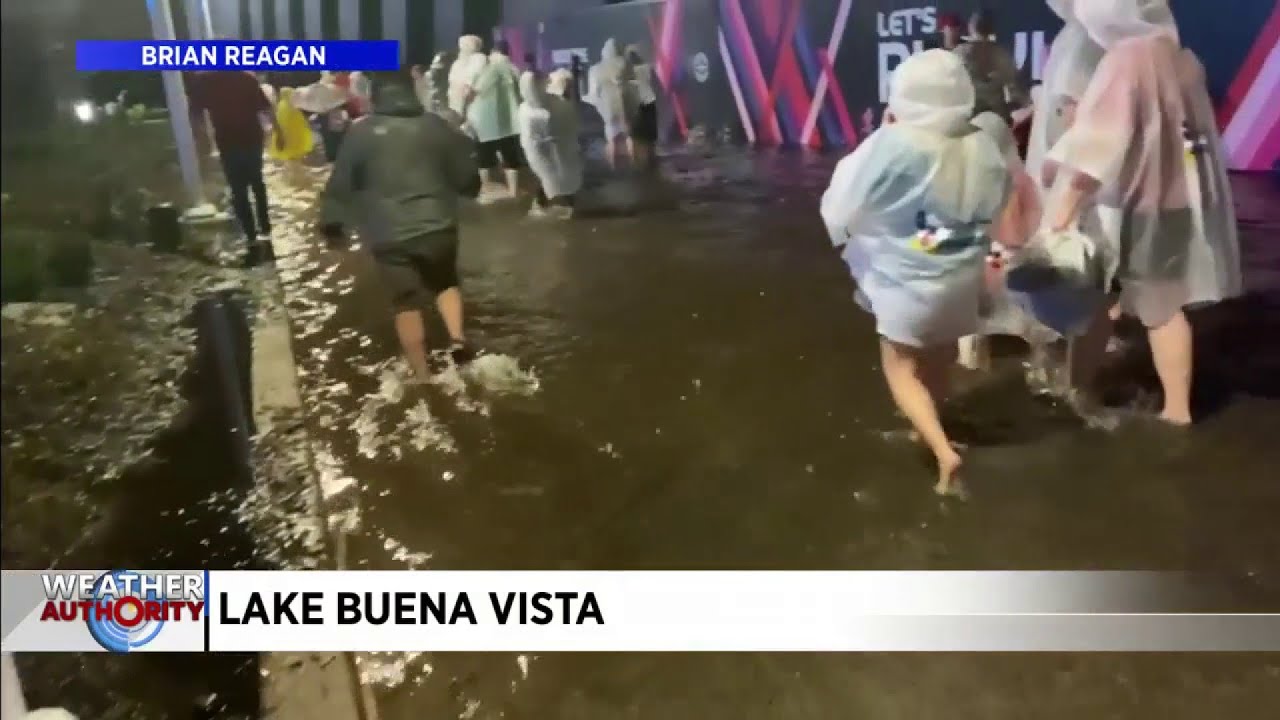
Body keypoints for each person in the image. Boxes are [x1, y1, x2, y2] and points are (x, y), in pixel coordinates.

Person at [820, 50, 1012, 495]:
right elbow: (993, 202)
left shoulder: (895, 144)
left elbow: (843, 203)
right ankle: (928, 423)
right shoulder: (981, 142)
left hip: (908, 286)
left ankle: (943, 452)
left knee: (901, 367)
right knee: (940, 358)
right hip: (961, 278)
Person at [1042, 0, 1241, 426]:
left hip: (1127, 207)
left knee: (1096, 301)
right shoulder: (1180, 58)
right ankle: (1177, 408)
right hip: (1178, 203)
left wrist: (1062, 214)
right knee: (1164, 307)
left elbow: (1097, 147)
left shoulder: (1125, 60)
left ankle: (1077, 387)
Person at [320, 72, 482, 380]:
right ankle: (458, 340)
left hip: (388, 234)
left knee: (406, 301)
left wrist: (332, 225)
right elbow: (466, 174)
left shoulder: (361, 133)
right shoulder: (435, 125)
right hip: (439, 226)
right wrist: (470, 187)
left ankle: (422, 376)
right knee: (445, 281)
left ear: (375, 96)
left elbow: (340, 185)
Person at [961, 111, 1051, 371]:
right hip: (1007, 257)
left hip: (1004, 259)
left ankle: (973, 361)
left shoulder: (1004, 182)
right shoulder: (1018, 179)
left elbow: (1012, 236)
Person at [188, 70, 284, 262]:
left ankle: (252, 234)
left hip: (230, 141)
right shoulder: (244, 78)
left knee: (239, 188)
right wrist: (280, 132)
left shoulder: (207, 80)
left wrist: (201, 137)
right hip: (249, 139)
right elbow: (266, 108)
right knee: (255, 182)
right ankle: (264, 229)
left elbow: (195, 113)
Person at [518, 70, 583, 219]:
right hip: (548, 149)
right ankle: (546, 203)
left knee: (558, 176)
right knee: (550, 176)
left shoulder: (530, 108)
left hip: (555, 148)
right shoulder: (541, 107)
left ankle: (559, 204)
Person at [466, 40, 524, 200]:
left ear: (493, 51)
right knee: (510, 155)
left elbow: (475, 91)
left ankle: (487, 188)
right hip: (511, 122)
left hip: (487, 121)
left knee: (484, 156)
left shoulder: (490, 69)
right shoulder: (515, 69)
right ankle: (513, 190)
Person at [953, 9, 1031, 124]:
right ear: (992, 29)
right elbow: (1018, 95)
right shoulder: (1002, 55)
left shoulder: (959, 54)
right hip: (996, 121)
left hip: (968, 121)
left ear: (970, 28)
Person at [587, 38, 636, 169]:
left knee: (612, 138)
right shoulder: (625, 64)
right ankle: (634, 164)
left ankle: (613, 166)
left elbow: (593, 94)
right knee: (629, 136)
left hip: (607, 107)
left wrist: (599, 106)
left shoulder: (595, 69)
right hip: (625, 105)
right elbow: (633, 86)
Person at [266, 87, 316, 178]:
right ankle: (295, 174)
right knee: (295, 156)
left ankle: (289, 174)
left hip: (284, 136)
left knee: (288, 155)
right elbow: (302, 123)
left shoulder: (280, 107)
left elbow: (278, 122)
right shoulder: (295, 107)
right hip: (296, 137)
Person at [626, 44, 659, 170]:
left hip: (636, 104)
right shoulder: (648, 67)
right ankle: (651, 160)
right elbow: (655, 83)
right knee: (650, 136)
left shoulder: (627, 71)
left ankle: (636, 163)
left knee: (634, 135)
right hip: (649, 102)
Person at [448, 35, 488, 119]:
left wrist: (467, 91)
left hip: (471, 100)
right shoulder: (457, 62)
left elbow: (473, 78)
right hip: (456, 101)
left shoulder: (479, 59)